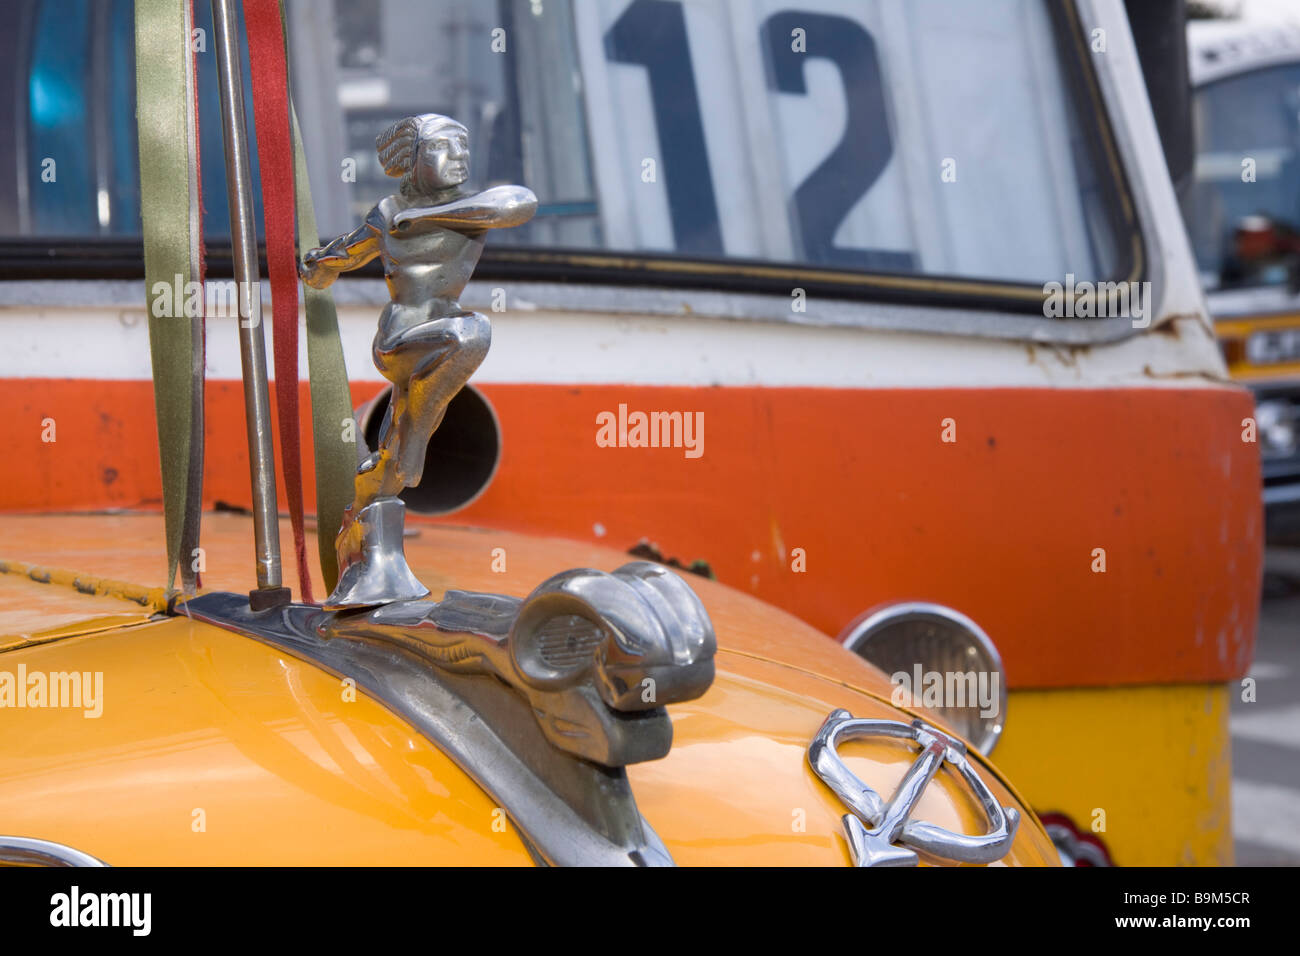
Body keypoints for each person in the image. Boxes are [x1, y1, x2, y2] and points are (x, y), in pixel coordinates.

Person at [300, 113, 536, 607]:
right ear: (411, 162)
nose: (460, 158)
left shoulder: (474, 209)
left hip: (440, 338)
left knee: (395, 461)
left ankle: (362, 536)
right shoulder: (387, 213)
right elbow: (344, 254)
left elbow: (519, 202)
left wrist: (424, 219)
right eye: (444, 148)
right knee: (474, 332)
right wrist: (316, 267)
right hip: (400, 339)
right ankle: (413, 449)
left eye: (464, 147)